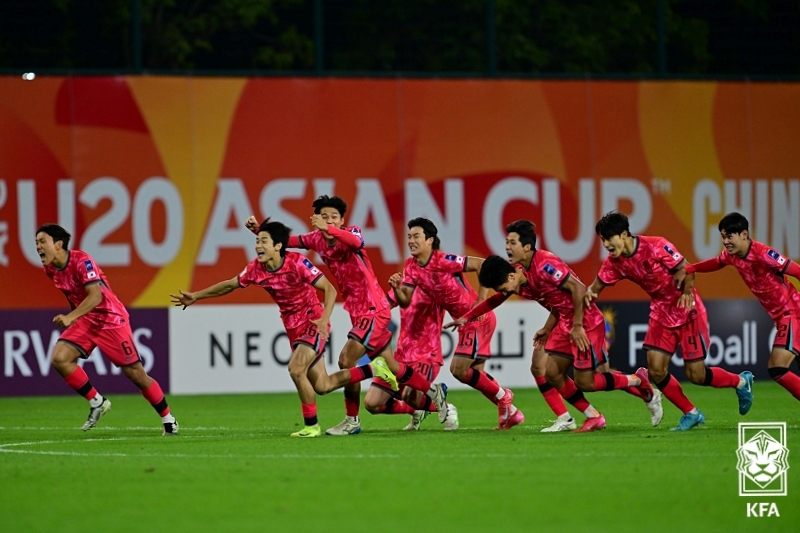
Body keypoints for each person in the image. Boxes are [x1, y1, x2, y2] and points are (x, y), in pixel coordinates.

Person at [171, 218, 396, 438]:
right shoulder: (255, 269)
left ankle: (311, 425)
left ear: (278, 246)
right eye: (257, 241)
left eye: (264, 241)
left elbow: (329, 289)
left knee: (296, 369)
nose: (258, 246)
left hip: (312, 320)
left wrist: (323, 320)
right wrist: (196, 296)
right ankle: (374, 369)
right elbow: (230, 284)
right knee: (323, 385)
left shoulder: (297, 263)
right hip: (292, 328)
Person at [245, 196, 438, 436]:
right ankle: (435, 398)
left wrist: (329, 228)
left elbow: (355, 241)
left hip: (373, 307)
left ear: (342, 220)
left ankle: (352, 420)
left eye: (334, 217)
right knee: (392, 366)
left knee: (346, 360)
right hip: (357, 312)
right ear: (315, 219)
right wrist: (260, 231)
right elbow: (284, 242)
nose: (329, 220)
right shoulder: (316, 239)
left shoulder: (351, 233)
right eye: (324, 216)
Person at [448, 220, 660, 433]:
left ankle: (636, 381)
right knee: (550, 371)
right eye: (507, 242)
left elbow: (578, 290)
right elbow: (498, 300)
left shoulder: (546, 265)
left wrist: (577, 326)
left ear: (527, 247)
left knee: (589, 380)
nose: (507, 247)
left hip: (585, 322)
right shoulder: (519, 273)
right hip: (563, 322)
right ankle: (589, 416)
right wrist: (468, 317)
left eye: (512, 242)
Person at [588, 211, 753, 431]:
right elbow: (595, 289)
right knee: (655, 370)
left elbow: (687, 269)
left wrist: (687, 292)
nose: (606, 244)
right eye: (602, 240)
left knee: (696, 375)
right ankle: (691, 413)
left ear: (624, 234)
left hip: (687, 311)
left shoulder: (656, 246)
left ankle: (741, 382)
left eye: (609, 238)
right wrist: (582, 298)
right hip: (661, 313)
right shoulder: (614, 263)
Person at [35, 224, 178, 435]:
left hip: (110, 319)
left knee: (136, 374)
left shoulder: (82, 261)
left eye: (42, 241)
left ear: (58, 244)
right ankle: (97, 402)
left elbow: (96, 296)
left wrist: (71, 317)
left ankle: (168, 419)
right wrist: (75, 316)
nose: (38, 246)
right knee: (60, 358)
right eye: (36, 242)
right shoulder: (50, 270)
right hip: (86, 319)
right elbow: (72, 294)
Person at [389, 217, 523, 430]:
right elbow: (405, 300)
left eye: (416, 236)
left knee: (459, 370)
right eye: (409, 237)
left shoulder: (443, 261)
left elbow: (481, 264)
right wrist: (397, 288)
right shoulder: (411, 267)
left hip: (477, 318)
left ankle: (504, 396)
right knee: (476, 377)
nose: (411, 241)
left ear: (430, 240)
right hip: (464, 322)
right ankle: (511, 413)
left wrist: (480, 303)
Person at [676, 212, 800, 403]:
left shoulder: (763, 254)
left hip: (792, 313)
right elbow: (717, 262)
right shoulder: (732, 256)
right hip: (781, 316)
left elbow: (797, 271)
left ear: (744, 234)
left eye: (729, 236)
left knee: (777, 367)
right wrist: (692, 268)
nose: (725, 241)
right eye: (723, 237)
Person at [363, 288, 459, 431]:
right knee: (372, 403)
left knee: (410, 395)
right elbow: (382, 306)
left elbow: (457, 300)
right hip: (400, 357)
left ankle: (446, 408)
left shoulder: (435, 283)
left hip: (426, 354)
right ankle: (415, 410)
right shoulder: (404, 284)